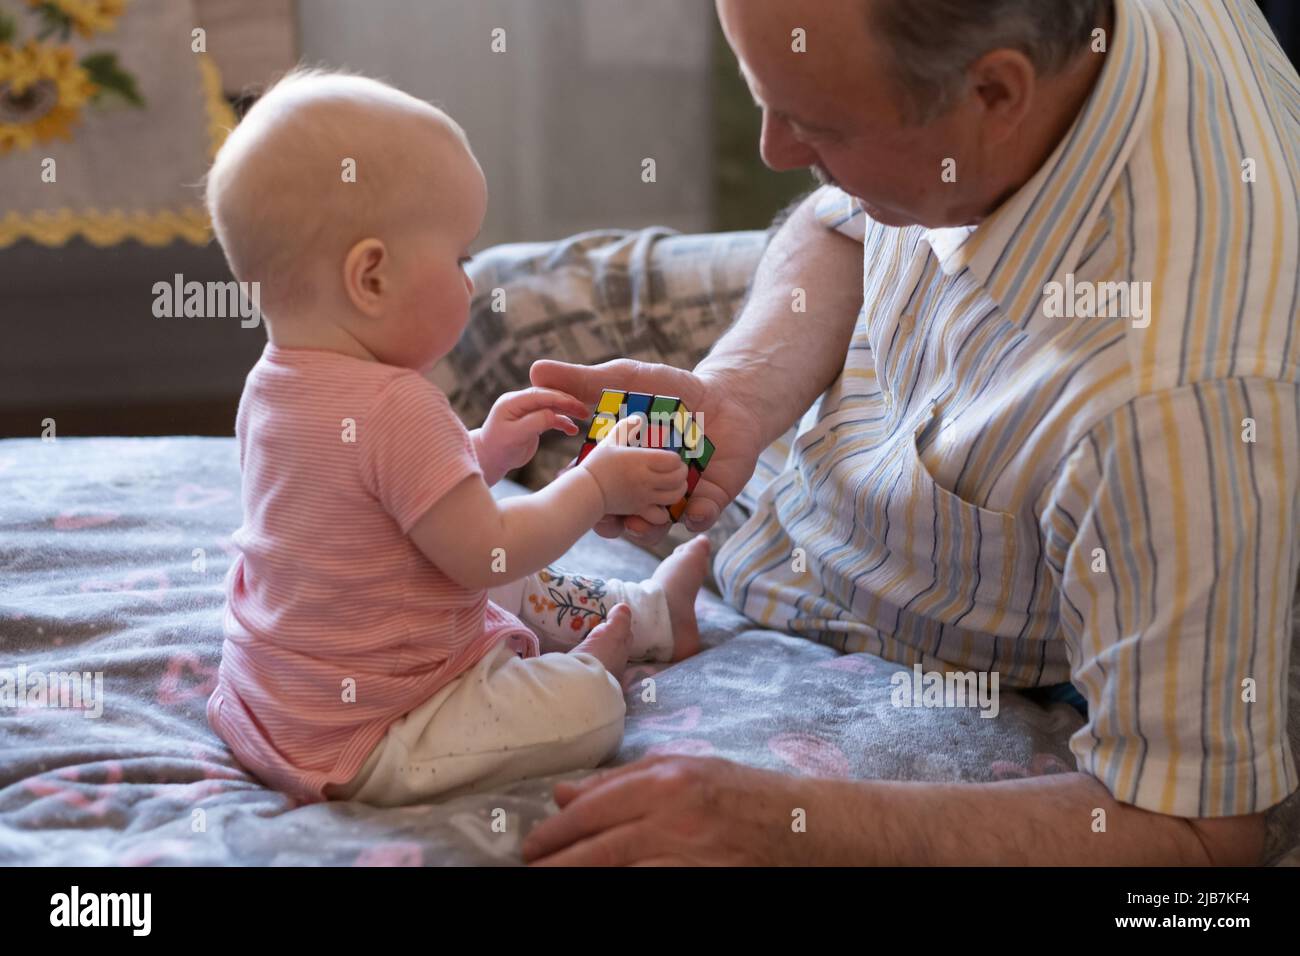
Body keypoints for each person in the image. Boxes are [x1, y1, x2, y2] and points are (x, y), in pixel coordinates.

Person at [524, 0, 1300, 865]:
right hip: (809, 447)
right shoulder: (983, 94)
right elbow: (841, 225)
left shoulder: (1172, 407)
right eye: (768, 99)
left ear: (996, 92)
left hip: (903, 653)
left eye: (814, 124)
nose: (772, 152)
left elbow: (1200, 833)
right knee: (475, 292)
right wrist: (740, 391)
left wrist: (793, 827)